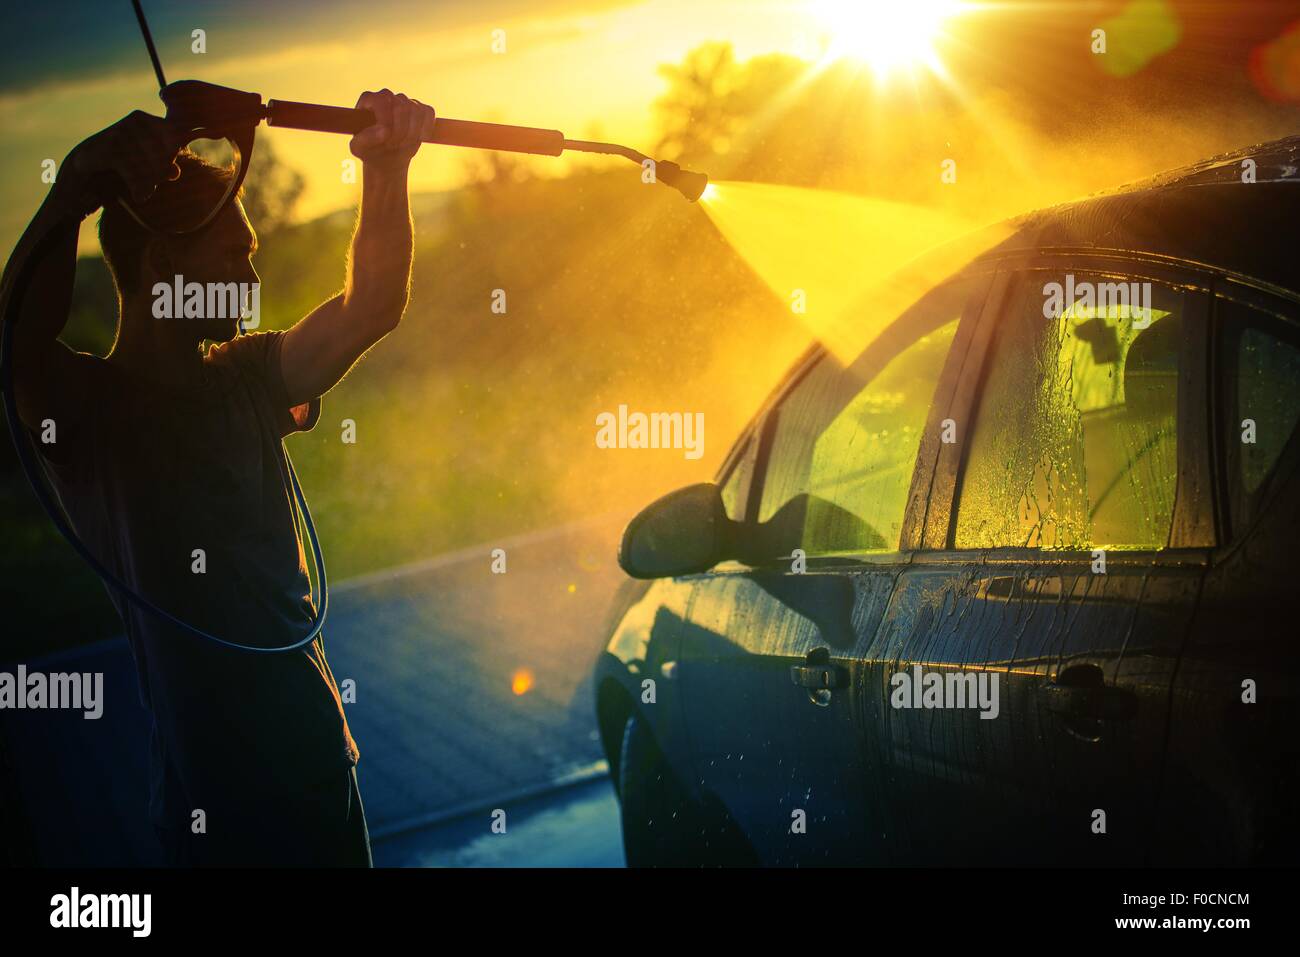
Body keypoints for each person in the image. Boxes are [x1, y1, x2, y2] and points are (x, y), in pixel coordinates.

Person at [0, 89, 436, 866]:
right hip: (218, 821)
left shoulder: (250, 374)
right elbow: (16, 346)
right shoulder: (87, 414)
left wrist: (387, 163)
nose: (249, 268)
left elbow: (372, 304)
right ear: (167, 266)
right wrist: (74, 187)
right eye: (234, 254)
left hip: (323, 775)